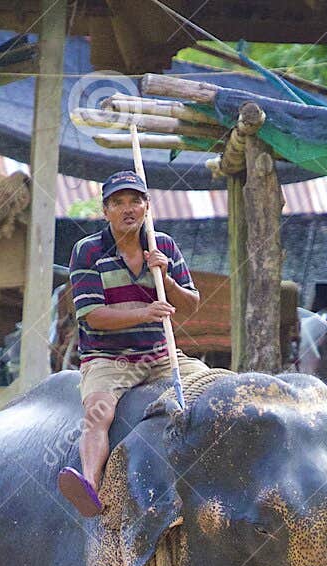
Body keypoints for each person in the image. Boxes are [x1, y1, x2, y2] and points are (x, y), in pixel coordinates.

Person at [56, 171, 209, 517]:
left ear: (147, 207)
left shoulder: (163, 245)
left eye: (135, 201)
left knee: (216, 388)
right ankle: (89, 485)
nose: (128, 209)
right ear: (106, 210)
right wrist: (145, 312)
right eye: (118, 202)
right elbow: (93, 315)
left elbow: (189, 306)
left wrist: (166, 278)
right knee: (99, 414)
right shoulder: (88, 251)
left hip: (159, 355)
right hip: (108, 358)